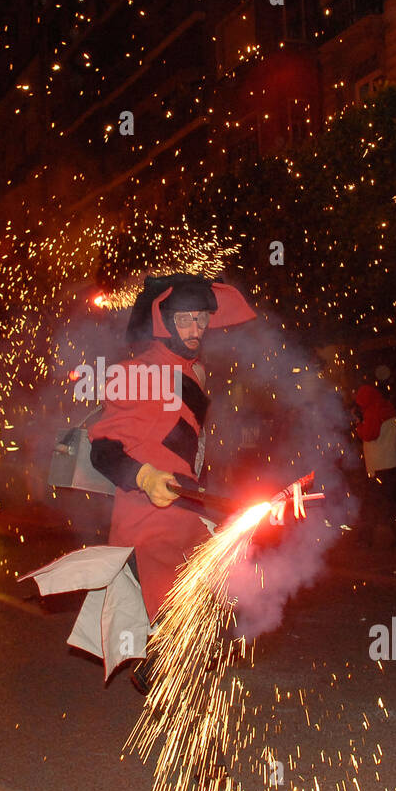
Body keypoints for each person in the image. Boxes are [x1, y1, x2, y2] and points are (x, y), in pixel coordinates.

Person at [88, 273, 255, 694]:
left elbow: (189, 448)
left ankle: (168, 661)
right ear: (163, 321)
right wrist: (144, 475)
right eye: (186, 320)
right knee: (177, 605)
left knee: (215, 592)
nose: (196, 329)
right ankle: (161, 662)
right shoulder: (136, 372)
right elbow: (103, 449)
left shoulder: (194, 372)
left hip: (186, 511)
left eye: (201, 319)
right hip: (147, 518)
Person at [355, 382, 396, 546]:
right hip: (394, 463)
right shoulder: (387, 408)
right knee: (394, 504)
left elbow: (369, 434)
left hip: (379, 466)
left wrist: (358, 426)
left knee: (371, 504)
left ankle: (365, 539)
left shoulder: (373, 411)